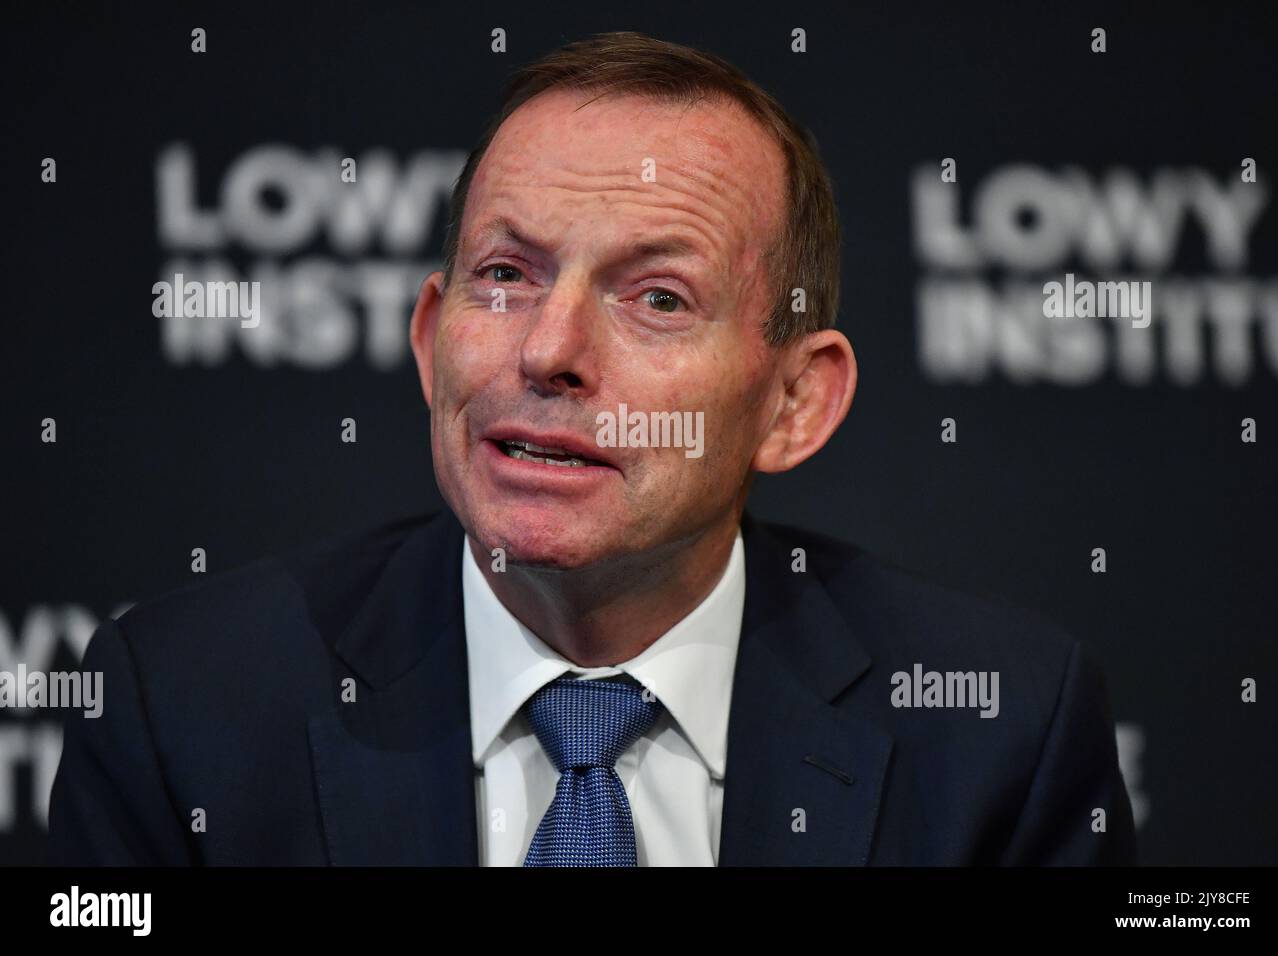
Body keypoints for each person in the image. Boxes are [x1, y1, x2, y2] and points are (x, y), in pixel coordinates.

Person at [47, 31, 1136, 866]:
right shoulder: (182, 709)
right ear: (431, 340)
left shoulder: (1000, 735)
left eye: (657, 296)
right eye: (506, 275)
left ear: (795, 401)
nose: (549, 349)